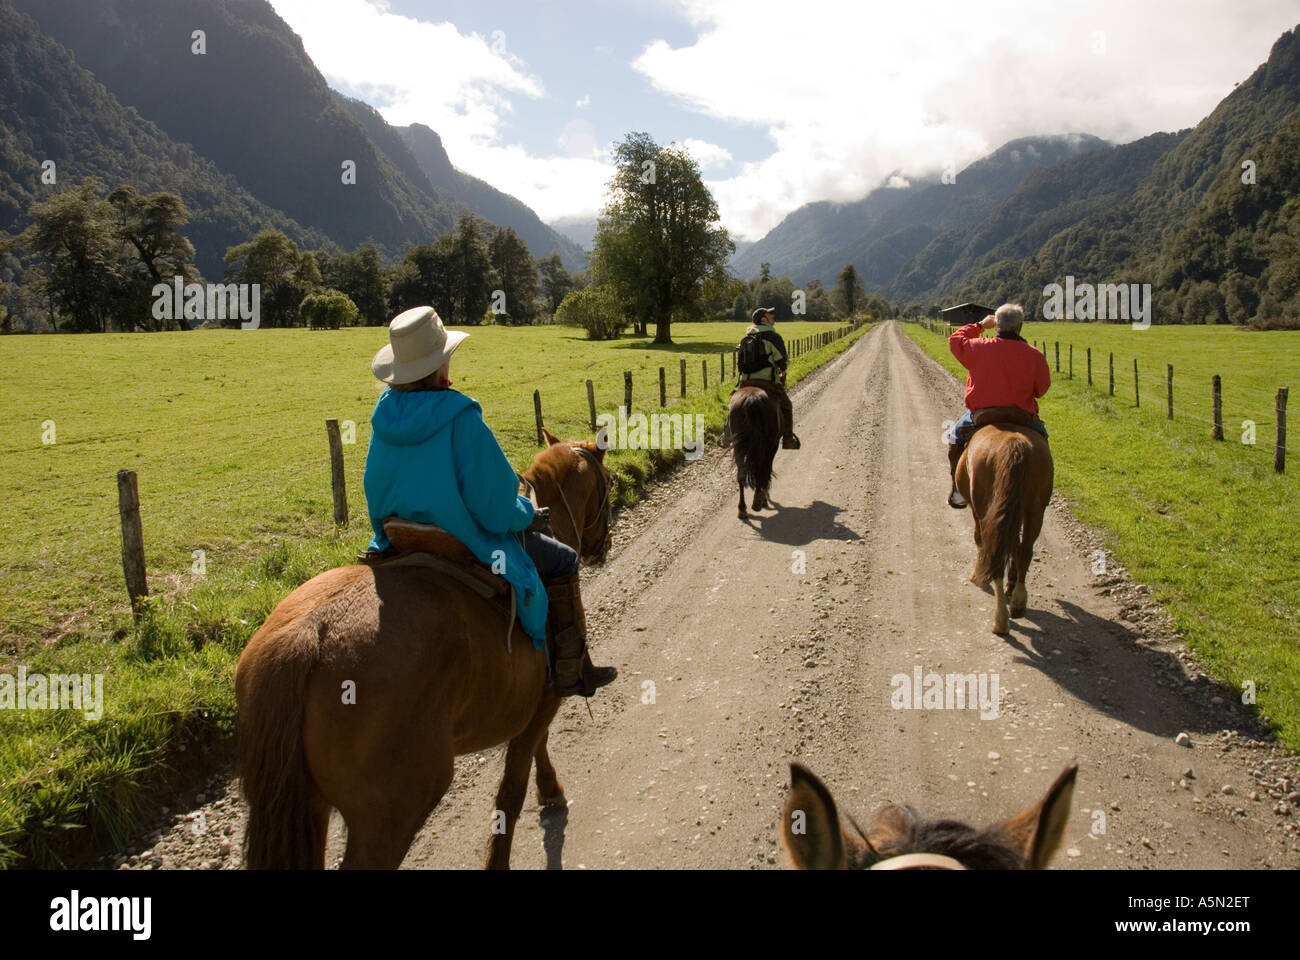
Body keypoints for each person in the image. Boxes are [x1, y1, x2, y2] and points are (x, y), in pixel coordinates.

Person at [362, 306, 616, 697]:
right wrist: (525, 510)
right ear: (441, 368)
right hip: (463, 539)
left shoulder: (383, 416)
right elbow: (496, 509)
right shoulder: (461, 415)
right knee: (563, 559)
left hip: (398, 536)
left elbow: (373, 485)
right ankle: (573, 670)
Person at [945, 303, 1050, 508]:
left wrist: (980, 325)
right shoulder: (1035, 355)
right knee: (1043, 441)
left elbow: (956, 340)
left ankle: (958, 490)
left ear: (997, 326)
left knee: (955, 439)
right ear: (1020, 327)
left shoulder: (979, 346)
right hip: (1023, 416)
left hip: (983, 414)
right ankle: (1043, 491)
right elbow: (1041, 390)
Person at [737, 306, 800, 449]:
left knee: (734, 404)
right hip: (768, 381)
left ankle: (727, 434)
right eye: (769, 314)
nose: (773, 316)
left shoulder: (746, 337)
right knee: (787, 406)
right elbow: (782, 360)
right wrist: (783, 370)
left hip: (746, 381)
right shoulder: (773, 337)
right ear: (763, 319)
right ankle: (788, 439)